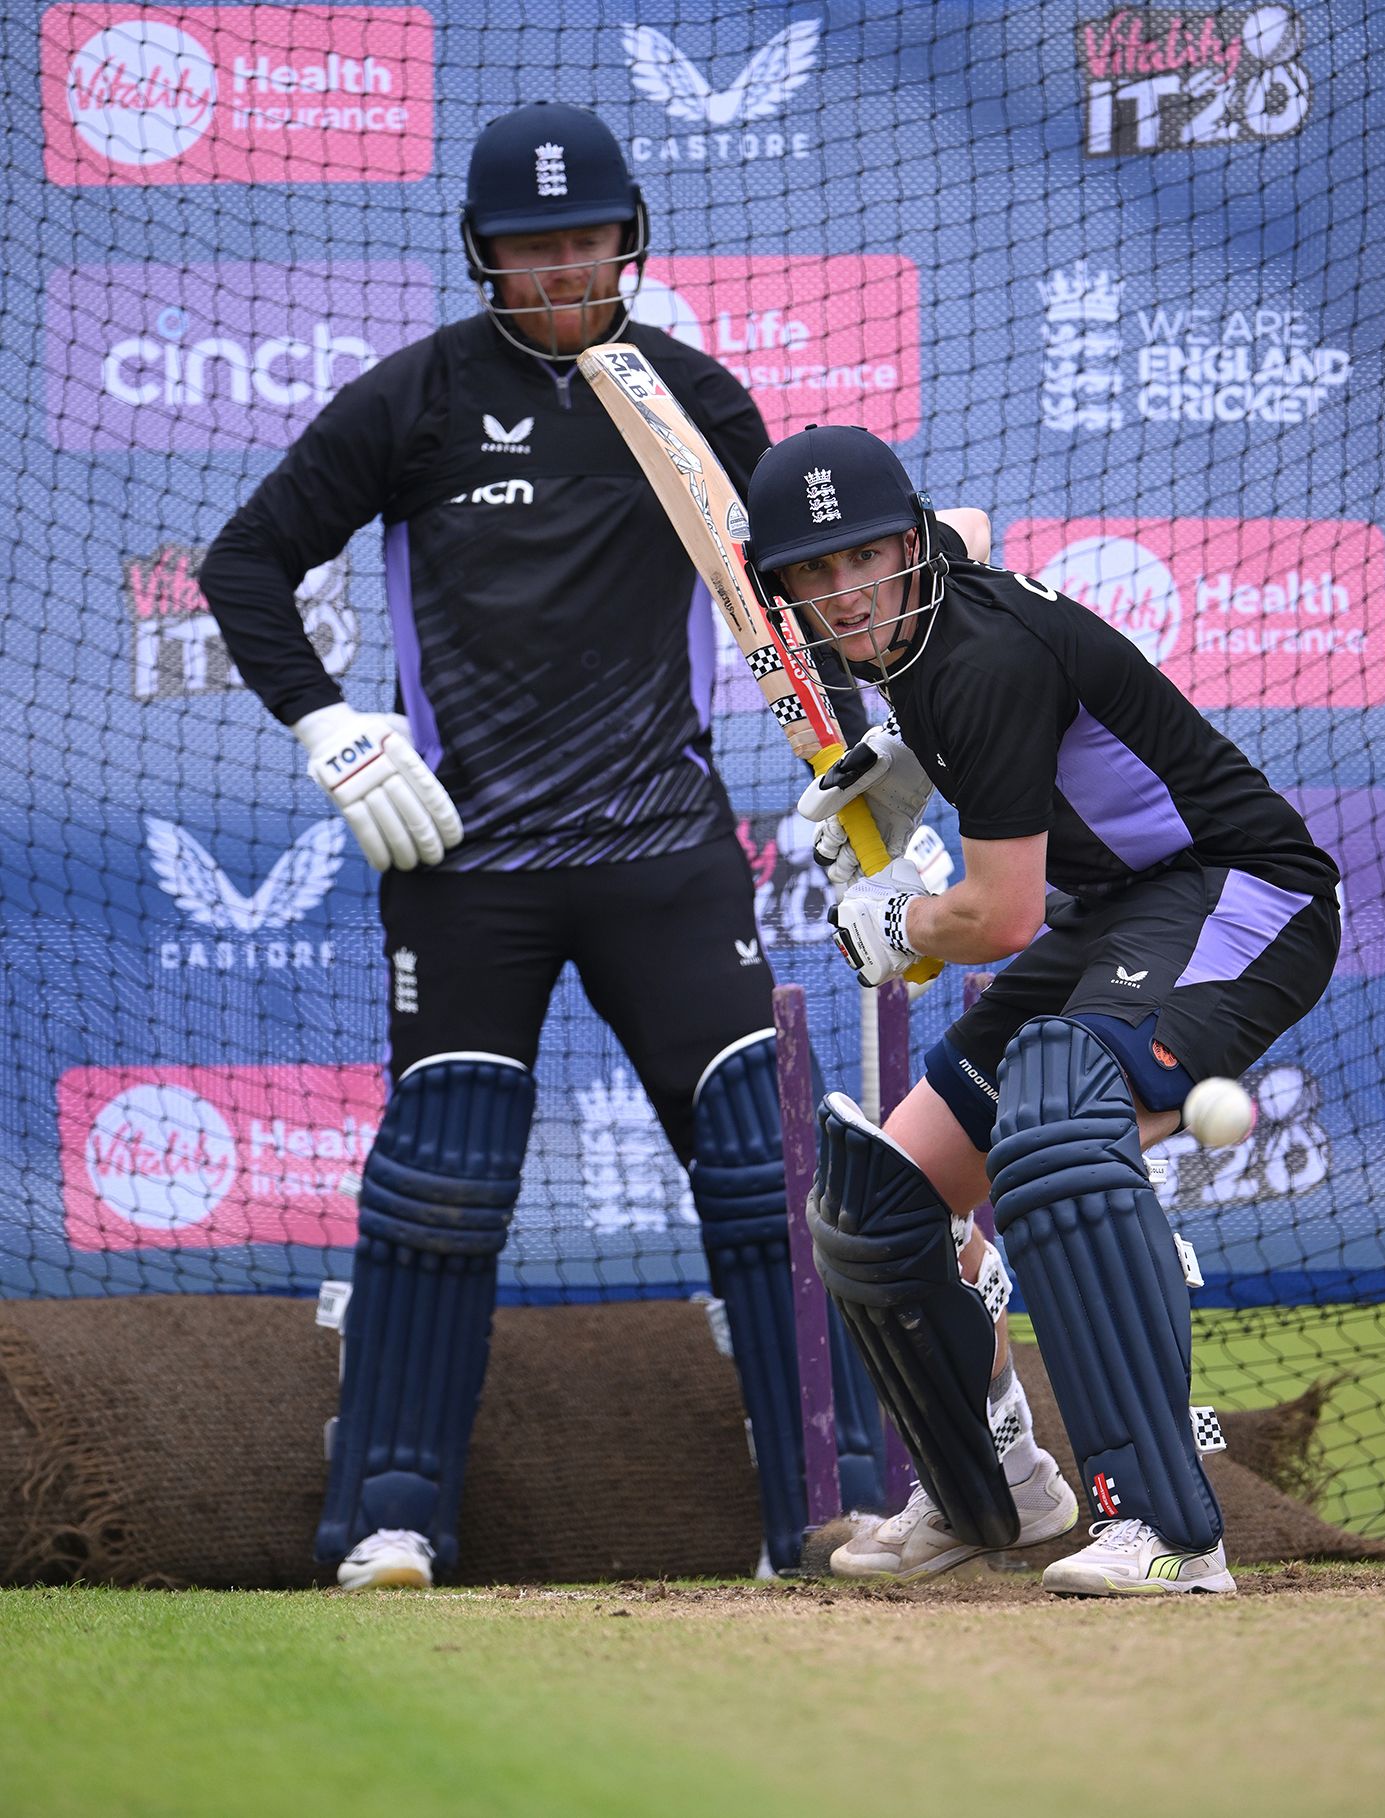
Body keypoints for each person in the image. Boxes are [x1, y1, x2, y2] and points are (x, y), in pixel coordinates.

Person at [198, 103, 884, 1589]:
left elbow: (789, 603)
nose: (562, 267)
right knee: (443, 1182)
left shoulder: (694, 397)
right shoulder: (419, 398)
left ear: (629, 241)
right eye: (531, 246)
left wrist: (861, 771)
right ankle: (389, 1511)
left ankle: (829, 1510)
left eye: (585, 240)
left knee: (770, 1169)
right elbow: (244, 563)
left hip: (666, 856)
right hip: (468, 864)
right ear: (484, 255)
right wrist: (332, 727)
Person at [742, 423, 1340, 1594]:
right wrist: (897, 751)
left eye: (863, 558)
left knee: (1055, 1117)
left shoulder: (979, 662)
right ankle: (994, 1490)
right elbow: (964, 530)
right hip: (1114, 911)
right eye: (810, 574)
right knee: (876, 1205)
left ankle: (1168, 1528)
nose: (844, 594)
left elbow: (1000, 917)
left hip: (1235, 890)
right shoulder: (925, 593)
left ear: (903, 545)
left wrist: (896, 923)